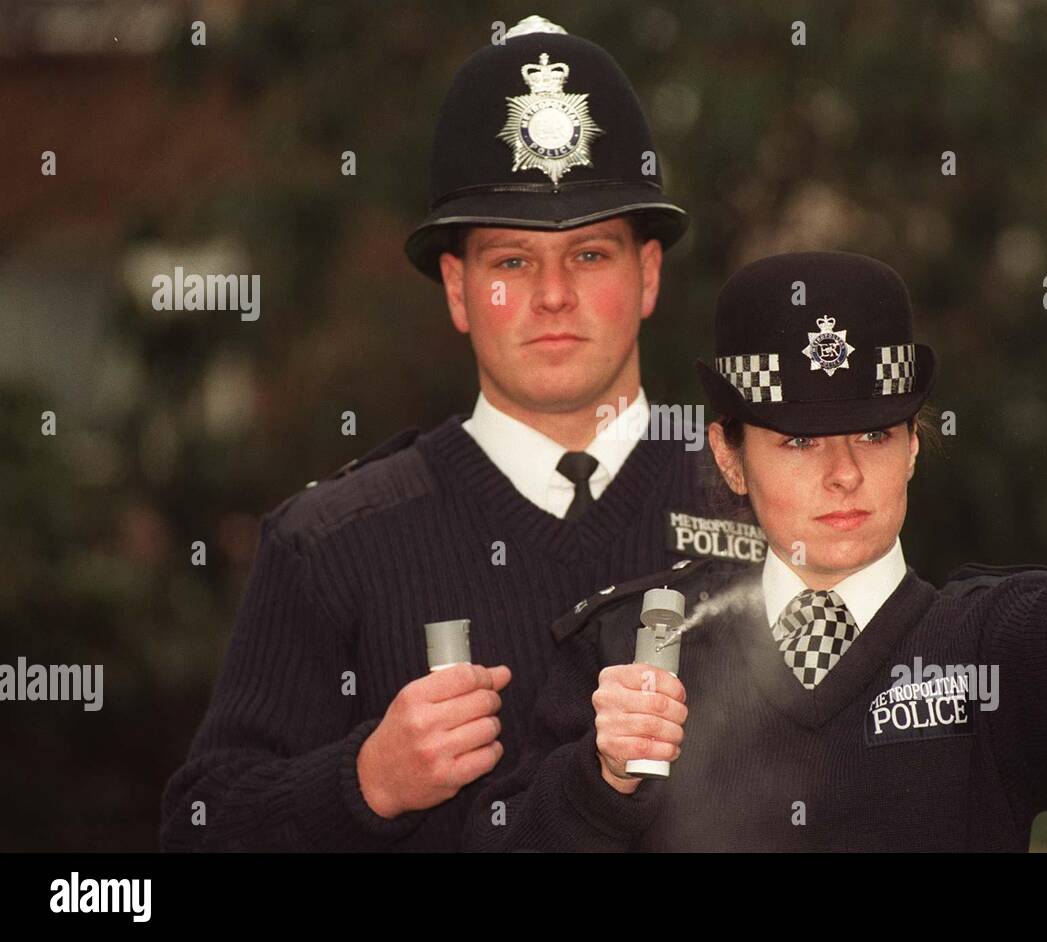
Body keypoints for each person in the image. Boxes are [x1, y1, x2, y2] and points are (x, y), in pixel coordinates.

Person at [159, 15, 749, 852]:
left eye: (589, 255)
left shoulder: (766, 509)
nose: (551, 294)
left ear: (647, 274)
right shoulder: (333, 544)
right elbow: (201, 827)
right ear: (457, 289)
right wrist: (366, 780)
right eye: (511, 261)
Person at [464, 252, 1047, 851]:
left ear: (914, 450)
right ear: (729, 458)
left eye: (875, 433)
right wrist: (596, 783)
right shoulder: (627, 648)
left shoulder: (988, 648)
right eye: (798, 441)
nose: (844, 474)